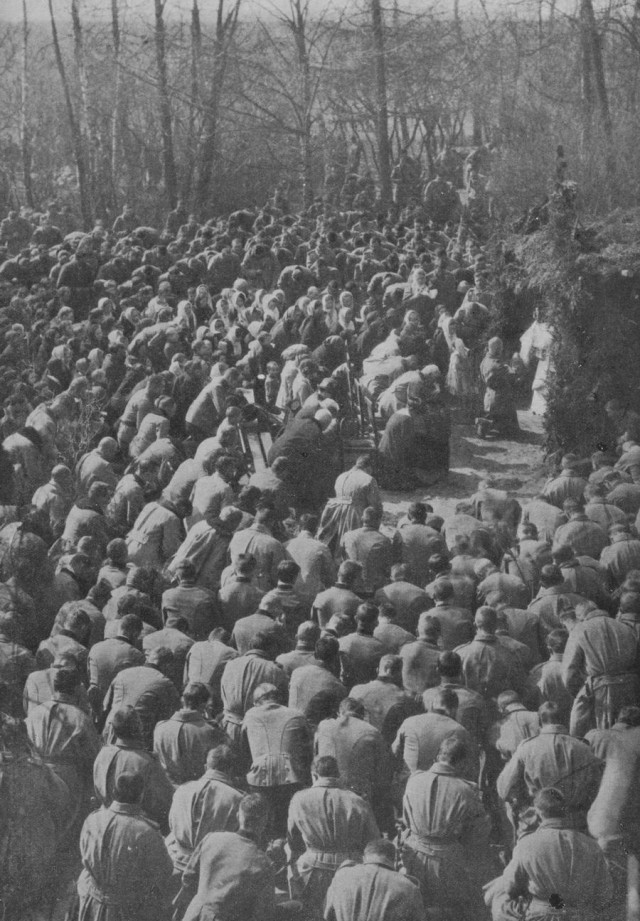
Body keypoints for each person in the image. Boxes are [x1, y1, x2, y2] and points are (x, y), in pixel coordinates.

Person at [486, 787, 613, 921]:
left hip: (541, 916)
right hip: (581, 916)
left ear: (538, 814)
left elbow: (510, 888)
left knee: (499, 900)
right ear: (565, 812)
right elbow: (604, 895)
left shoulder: (526, 844)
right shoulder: (591, 845)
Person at [401, 736, 491, 920]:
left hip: (413, 856)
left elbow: (406, 819)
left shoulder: (414, 780)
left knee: (416, 909)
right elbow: (477, 835)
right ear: (463, 762)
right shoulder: (467, 790)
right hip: (448, 862)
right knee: (447, 912)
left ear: (438, 756)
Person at [287, 755, 379, 913]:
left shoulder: (299, 799)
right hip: (350, 868)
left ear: (314, 775)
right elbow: (373, 841)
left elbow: (292, 840)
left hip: (312, 869)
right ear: (338, 775)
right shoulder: (357, 801)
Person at [76, 772, 174, 921]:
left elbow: (84, 854)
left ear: (114, 792)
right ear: (140, 796)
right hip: (129, 910)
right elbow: (164, 870)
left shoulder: (93, 819)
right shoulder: (146, 831)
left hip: (93, 902)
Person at [174, 794, 278, 921]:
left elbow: (188, 879)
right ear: (264, 822)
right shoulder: (264, 864)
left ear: (238, 816)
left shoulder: (211, 838)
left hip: (193, 915)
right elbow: (262, 914)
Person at [242, 682, 313, 835]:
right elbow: (308, 747)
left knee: (263, 823)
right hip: (291, 774)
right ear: (278, 699)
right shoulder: (297, 714)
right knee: (287, 822)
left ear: (256, 702)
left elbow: (243, 748)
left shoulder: (250, 715)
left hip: (259, 775)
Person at [166, 743, 244, 873]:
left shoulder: (182, 789)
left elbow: (171, 825)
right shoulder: (237, 798)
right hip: (214, 868)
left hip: (177, 862)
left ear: (205, 767)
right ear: (230, 771)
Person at [94, 705, 174, 830]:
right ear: (138, 729)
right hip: (136, 826)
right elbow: (165, 801)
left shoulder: (103, 754)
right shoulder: (147, 761)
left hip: (103, 821)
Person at [324, 838, 425, 921]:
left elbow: (328, 915)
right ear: (394, 861)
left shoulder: (342, 876)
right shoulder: (409, 887)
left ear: (364, 858)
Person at [154, 681, 227, 786]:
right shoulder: (209, 731)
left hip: (167, 790)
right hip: (196, 791)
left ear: (182, 700)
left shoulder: (160, 727)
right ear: (203, 705)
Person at [316, 455, 382, 555]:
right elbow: (375, 505)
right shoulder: (368, 479)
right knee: (354, 546)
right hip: (355, 515)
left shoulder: (341, 476)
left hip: (336, 513)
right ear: (369, 467)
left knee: (335, 543)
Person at [477, 336, 520, 437]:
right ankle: (495, 427)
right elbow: (510, 376)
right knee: (509, 409)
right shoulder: (498, 365)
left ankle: (486, 425)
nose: (502, 350)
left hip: (488, 393)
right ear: (497, 349)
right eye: (500, 348)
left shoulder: (485, 360)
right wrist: (515, 369)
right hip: (499, 396)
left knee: (490, 412)